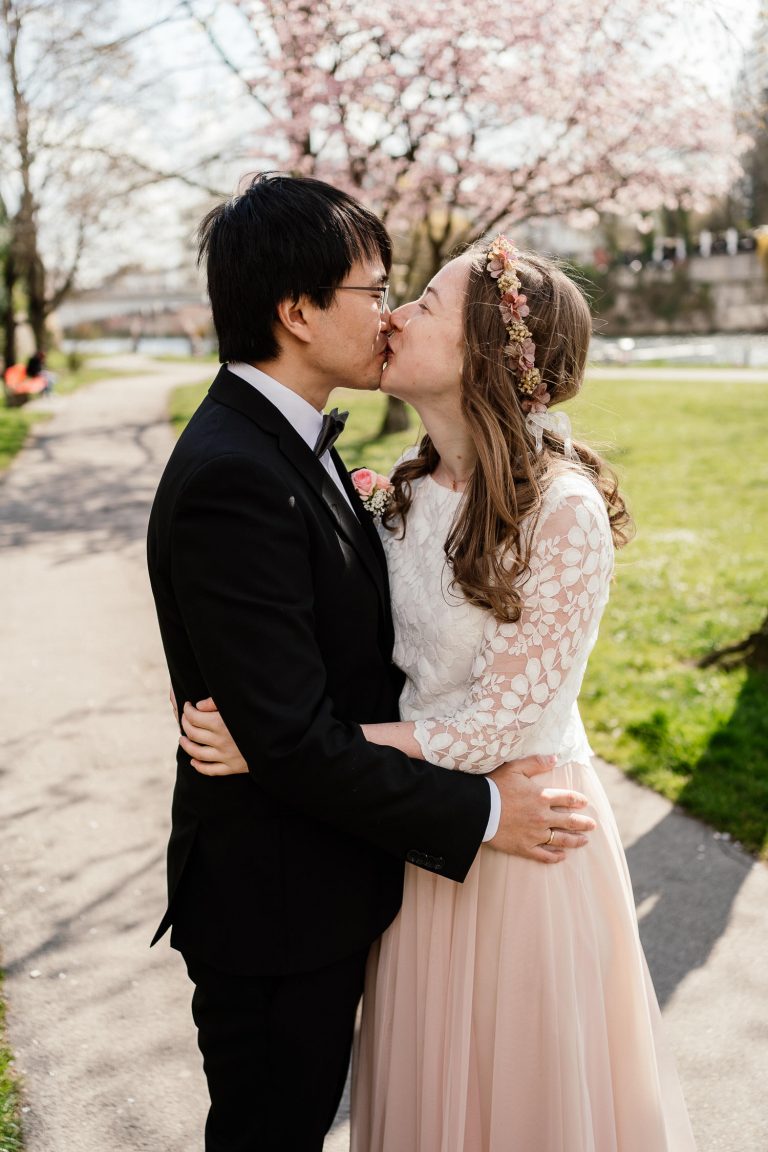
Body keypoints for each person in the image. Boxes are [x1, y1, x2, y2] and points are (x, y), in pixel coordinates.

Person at [184, 235, 697, 1149]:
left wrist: (279, 742)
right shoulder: (407, 493)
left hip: (525, 842)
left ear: (486, 355)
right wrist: (290, 726)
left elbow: (492, 723)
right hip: (424, 844)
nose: (395, 313)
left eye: (422, 301)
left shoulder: (563, 512)